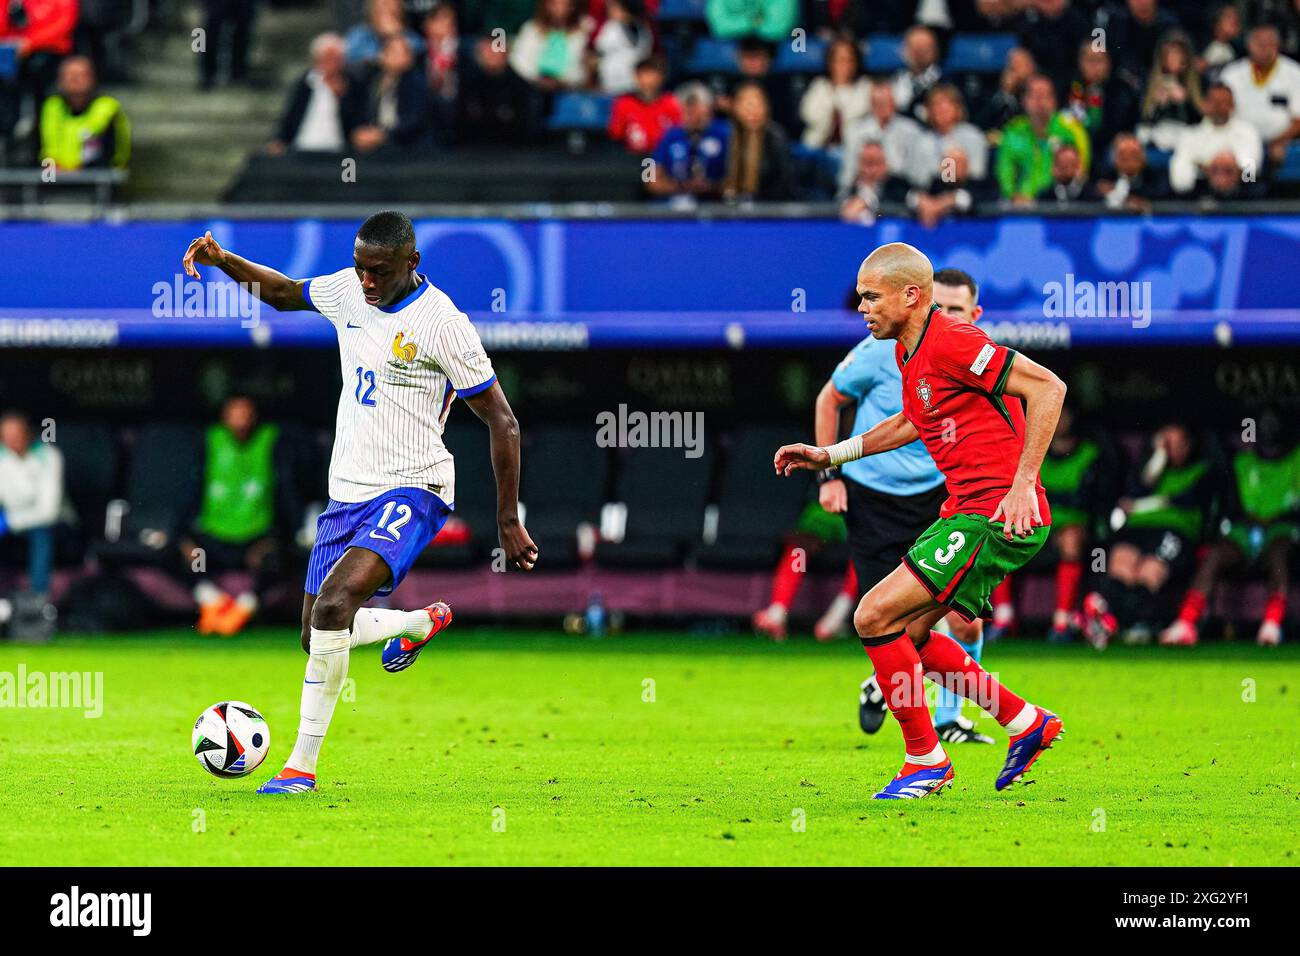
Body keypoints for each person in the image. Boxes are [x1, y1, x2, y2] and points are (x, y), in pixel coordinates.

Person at [181, 210, 538, 795]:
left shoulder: (443, 323)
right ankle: (422, 622)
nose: (367, 282)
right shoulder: (350, 291)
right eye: (361, 269)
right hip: (346, 491)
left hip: (413, 485)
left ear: (411, 263)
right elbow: (283, 293)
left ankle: (300, 766)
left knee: (335, 604)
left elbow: (504, 421)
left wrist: (507, 519)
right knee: (314, 631)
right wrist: (225, 263)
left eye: (379, 272)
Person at [774, 243, 1069, 799]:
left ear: (911, 296)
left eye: (871, 296)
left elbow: (1048, 387)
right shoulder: (909, 354)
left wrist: (1025, 482)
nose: (862, 306)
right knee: (906, 632)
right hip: (965, 509)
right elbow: (913, 420)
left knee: (871, 615)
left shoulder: (954, 340)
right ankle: (1025, 722)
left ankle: (926, 760)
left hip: (992, 513)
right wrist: (831, 455)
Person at [831, 269, 997, 746]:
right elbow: (843, 401)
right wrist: (829, 467)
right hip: (876, 499)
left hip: (943, 497)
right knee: (887, 621)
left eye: (957, 309)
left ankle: (947, 726)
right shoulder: (891, 351)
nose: (944, 317)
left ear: (976, 315)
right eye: (938, 307)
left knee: (962, 620)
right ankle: (1009, 724)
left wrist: (1022, 480)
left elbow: (1044, 391)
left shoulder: (977, 356)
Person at [1161, 410, 1298, 647]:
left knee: (1279, 554)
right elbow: (1229, 502)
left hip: (1282, 530)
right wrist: (1244, 519)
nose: (1268, 431)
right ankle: (1186, 623)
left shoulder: (1297, 460)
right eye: (1262, 425)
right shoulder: (1242, 462)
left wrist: (1277, 519)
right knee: (1215, 555)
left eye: (1274, 425)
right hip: (1245, 531)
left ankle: (1271, 626)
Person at [1082, 423, 1221, 648]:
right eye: (1165, 443)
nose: (1170, 448)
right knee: (1122, 568)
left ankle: (1114, 621)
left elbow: (1183, 499)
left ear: (1188, 445)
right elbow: (1135, 491)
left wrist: (1140, 506)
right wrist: (1159, 456)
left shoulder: (1202, 470)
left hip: (1174, 531)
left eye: (1175, 443)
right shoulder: (1150, 472)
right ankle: (1112, 621)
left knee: (1147, 572)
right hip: (1138, 528)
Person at [174, 396, 298, 637]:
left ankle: (243, 607)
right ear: (224, 418)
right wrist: (185, 537)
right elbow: (190, 492)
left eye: (246, 415)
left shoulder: (272, 443)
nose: (241, 421)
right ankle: (212, 601)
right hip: (212, 547)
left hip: (254, 546)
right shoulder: (210, 442)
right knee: (181, 554)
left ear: (255, 418)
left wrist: (273, 539)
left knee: (279, 560)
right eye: (235, 414)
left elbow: (286, 496)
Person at [996, 73, 1091, 204]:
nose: (1040, 102)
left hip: (1057, 203)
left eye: (1046, 95)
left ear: (1054, 100)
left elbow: (1080, 172)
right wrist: (1013, 196)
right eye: (1035, 95)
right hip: (1018, 205)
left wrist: (1042, 198)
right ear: (1024, 100)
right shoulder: (1013, 131)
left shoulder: (1072, 131)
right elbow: (1005, 171)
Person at [0, 411, 63, 599]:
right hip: (10, 523)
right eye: (8, 436)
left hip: (51, 525)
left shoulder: (48, 456)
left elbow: (49, 512)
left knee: (41, 535)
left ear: (28, 434)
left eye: (18, 434)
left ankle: (38, 599)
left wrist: (9, 521)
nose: (14, 441)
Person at [1219, 25, 1300, 167]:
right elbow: (1221, 111)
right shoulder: (1231, 74)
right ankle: (1248, 183)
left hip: (1281, 142)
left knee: (1279, 155)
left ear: (1278, 46)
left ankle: (1275, 187)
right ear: (1249, 45)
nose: (1266, 49)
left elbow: (1298, 120)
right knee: (1244, 159)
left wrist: (1278, 141)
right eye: (1261, 44)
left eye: (1270, 44)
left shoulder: (1294, 73)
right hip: (1241, 142)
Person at [340, 34, 433, 151]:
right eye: (394, 52)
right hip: (373, 147)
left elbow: (414, 120)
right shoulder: (371, 80)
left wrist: (382, 135)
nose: (400, 57)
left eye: (404, 53)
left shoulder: (416, 83)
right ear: (382, 55)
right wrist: (361, 132)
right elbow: (358, 112)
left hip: (408, 148)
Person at [38, 56, 131, 171]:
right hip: (55, 178)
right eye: (69, 75)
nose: (74, 79)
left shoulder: (107, 107)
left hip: (99, 178)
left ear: (93, 78)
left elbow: (112, 153)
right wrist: (55, 171)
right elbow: (47, 150)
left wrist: (77, 172)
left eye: (81, 74)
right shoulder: (52, 106)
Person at [1169, 82, 1263, 194]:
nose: (1219, 107)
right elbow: (1180, 180)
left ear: (1232, 106)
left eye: (1224, 102)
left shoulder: (1247, 132)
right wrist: (1211, 170)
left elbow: (1251, 173)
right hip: (1200, 196)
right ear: (1205, 105)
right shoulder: (1190, 136)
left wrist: (1224, 168)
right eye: (1215, 102)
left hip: (1241, 195)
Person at [268, 33, 349, 155]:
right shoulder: (304, 84)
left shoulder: (350, 85)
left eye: (337, 60)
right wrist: (279, 140)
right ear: (316, 60)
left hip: (338, 153)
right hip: (302, 149)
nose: (332, 65)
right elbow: (289, 116)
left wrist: (341, 97)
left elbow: (354, 122)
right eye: (327, 59)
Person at [646, 82, 730, 200]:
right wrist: (679, 186)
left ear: (709, 108)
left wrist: (712, 186)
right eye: (688, 106)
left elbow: (738, 176)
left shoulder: (725, 133)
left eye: (698, 106)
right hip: (672, 205)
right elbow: (649, 178)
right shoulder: (668, 135)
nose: (693, 112)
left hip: (715, 204)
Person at [720, 81, 794, 201]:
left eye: (757, 104)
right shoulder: (724, 135)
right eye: (746, 104)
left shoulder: (775, 137)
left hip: (767, 209)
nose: (752, 110)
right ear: (734, 107)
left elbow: (784, 185)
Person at [798, 36, 872, 152]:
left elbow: (859, 113)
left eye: (849, 60)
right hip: (817, 148)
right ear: (830, 62)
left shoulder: (865, 87)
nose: (844, 66)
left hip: (854, 150)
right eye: (839, 60)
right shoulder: (819, 86)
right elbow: (808, 113)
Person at [508, 0, 592, 91]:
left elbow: (583, 68)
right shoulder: (531, 29)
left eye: (565, 4)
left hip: (569, 89)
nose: (560, 9)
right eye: (555, 4)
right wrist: (539, 78)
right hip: (531, 86)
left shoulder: (583, 31)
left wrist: (562, 81)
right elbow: (519, 60)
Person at [608, 55, 681, 154]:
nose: (648, 79)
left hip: (663, 158)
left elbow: (679, 134)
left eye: (652, 74)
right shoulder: (624, 104)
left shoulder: (671, 102)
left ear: (661, 77)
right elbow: (616, 135)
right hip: (630, 158)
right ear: (636, 76)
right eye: (644, 74)